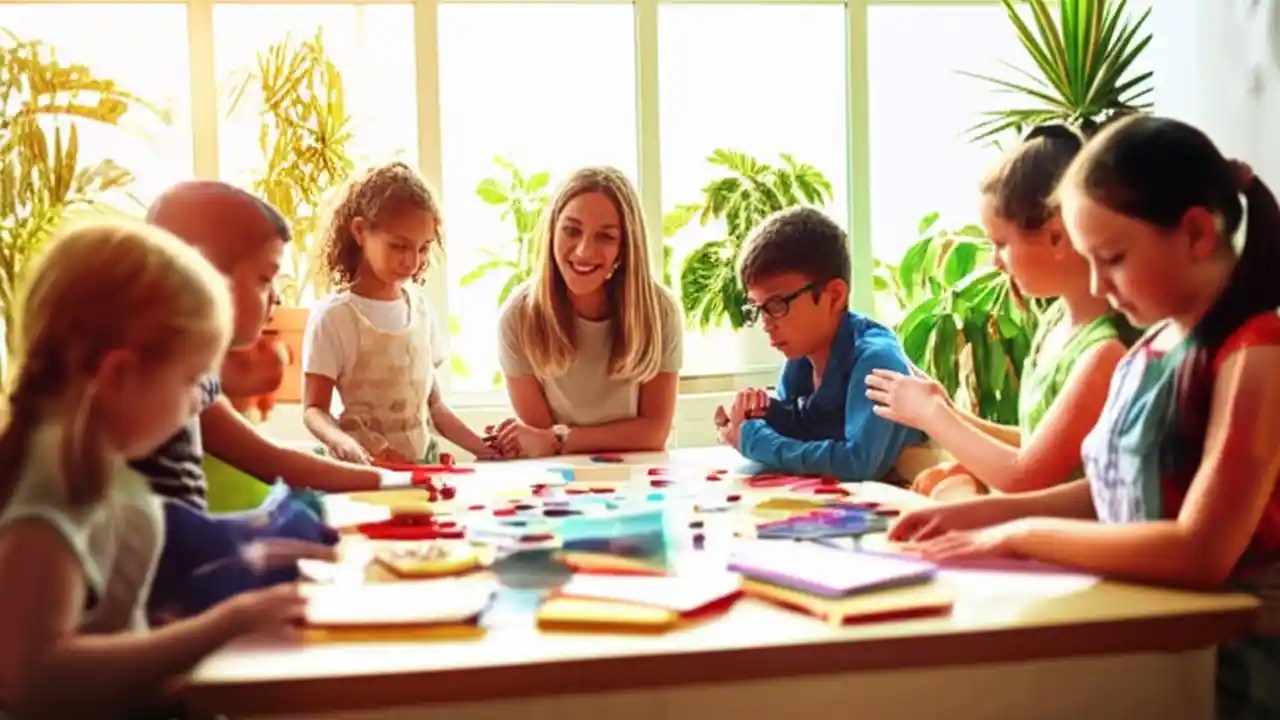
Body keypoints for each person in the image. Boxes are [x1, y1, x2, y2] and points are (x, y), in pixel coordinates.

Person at [889, 115, 1280, 719]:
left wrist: (1017, 535)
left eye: (1113, 257)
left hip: (1231, 666)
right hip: (1140, 636)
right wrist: (976, 513)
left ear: (1197, 233)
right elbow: (1107, 492)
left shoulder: (1254, 354)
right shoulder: (1152, 350)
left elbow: (1202, 550)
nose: (1098, 283)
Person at [0, 223, 332, 719]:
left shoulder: (94, 470)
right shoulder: (49, 492)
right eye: (192, 379)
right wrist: (225, 624)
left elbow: (118, 643)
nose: (198, 399)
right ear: (118, 376)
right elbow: (33, 679)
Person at [865, 125, 1135, 500]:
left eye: (1002, 244)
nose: (995, 262)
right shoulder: (1056, 321)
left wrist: (933, 416)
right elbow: (1040, 444)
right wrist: (947, 407)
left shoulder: (1104, 352)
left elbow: (1027, 476)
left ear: (1057, 235)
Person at [133, 181, 384, 511]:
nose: (277, 296)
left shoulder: (195, 377)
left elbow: (273, 458)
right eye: (265, 278)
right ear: (206, 275)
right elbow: (270, 462)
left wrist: (386, 480)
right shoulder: (155, 383)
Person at [717, 206, 925, 482]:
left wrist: (755, 440)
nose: (766, 323)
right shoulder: (799, 359)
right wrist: (756, 419)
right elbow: (797, 436)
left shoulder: (877, 360)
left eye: (777, 305)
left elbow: (858, 463)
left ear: (835, 296)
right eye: (758, 308)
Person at [302, 162, 491, 464]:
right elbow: (314, 410)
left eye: (424, 248)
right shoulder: (335, 317)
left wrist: (483, 447)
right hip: (366, 470)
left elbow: (435, 405)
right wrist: (342, 442)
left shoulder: (421, 311)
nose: (412, 262)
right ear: (360, 231)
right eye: (399, 246)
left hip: (421, 468)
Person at [493, 166, 681, 458]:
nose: (583, 251)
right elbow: (543, 442)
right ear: (552, 231)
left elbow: (654, 432)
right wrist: (556, 440)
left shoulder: (660, 312)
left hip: (639, 476)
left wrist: (561, 438)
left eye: (605, 237)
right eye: (571, 230)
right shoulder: (519, 318)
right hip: (558, 481)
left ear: (624, 249)